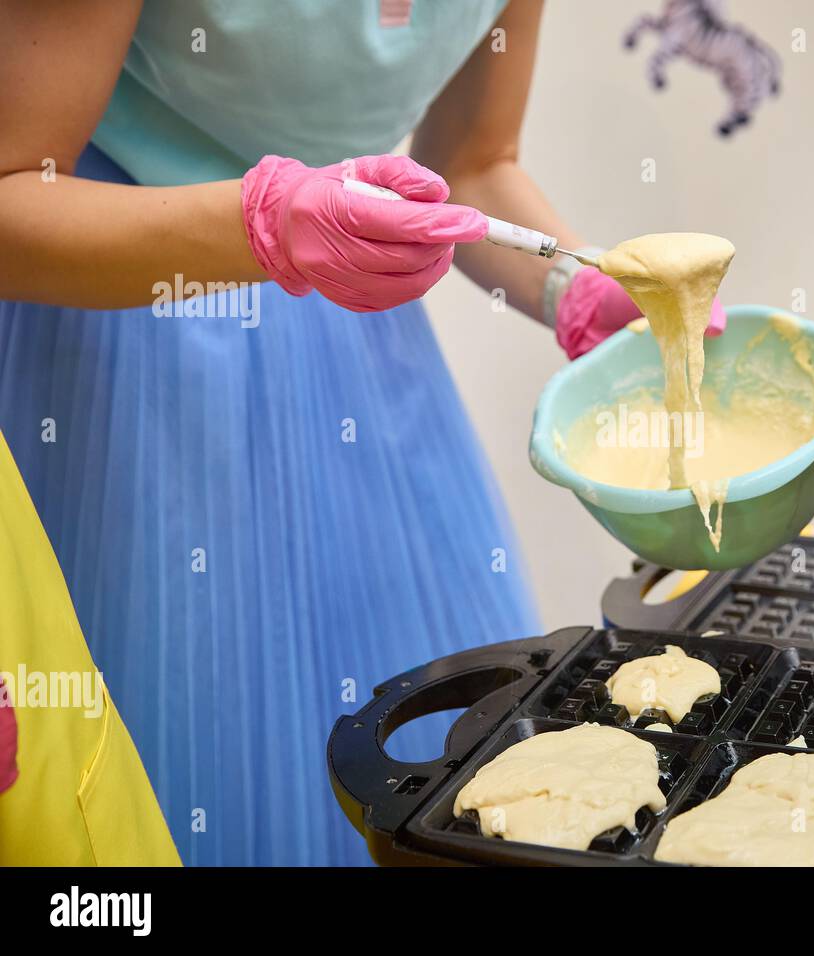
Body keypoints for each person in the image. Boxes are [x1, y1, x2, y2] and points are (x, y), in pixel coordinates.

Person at [0, 0, 722, 865]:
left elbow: (473, 162)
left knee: (450, 774)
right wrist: (263, 227)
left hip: (358, 354)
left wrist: (571, 283)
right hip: (134, 331)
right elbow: (11, 194)